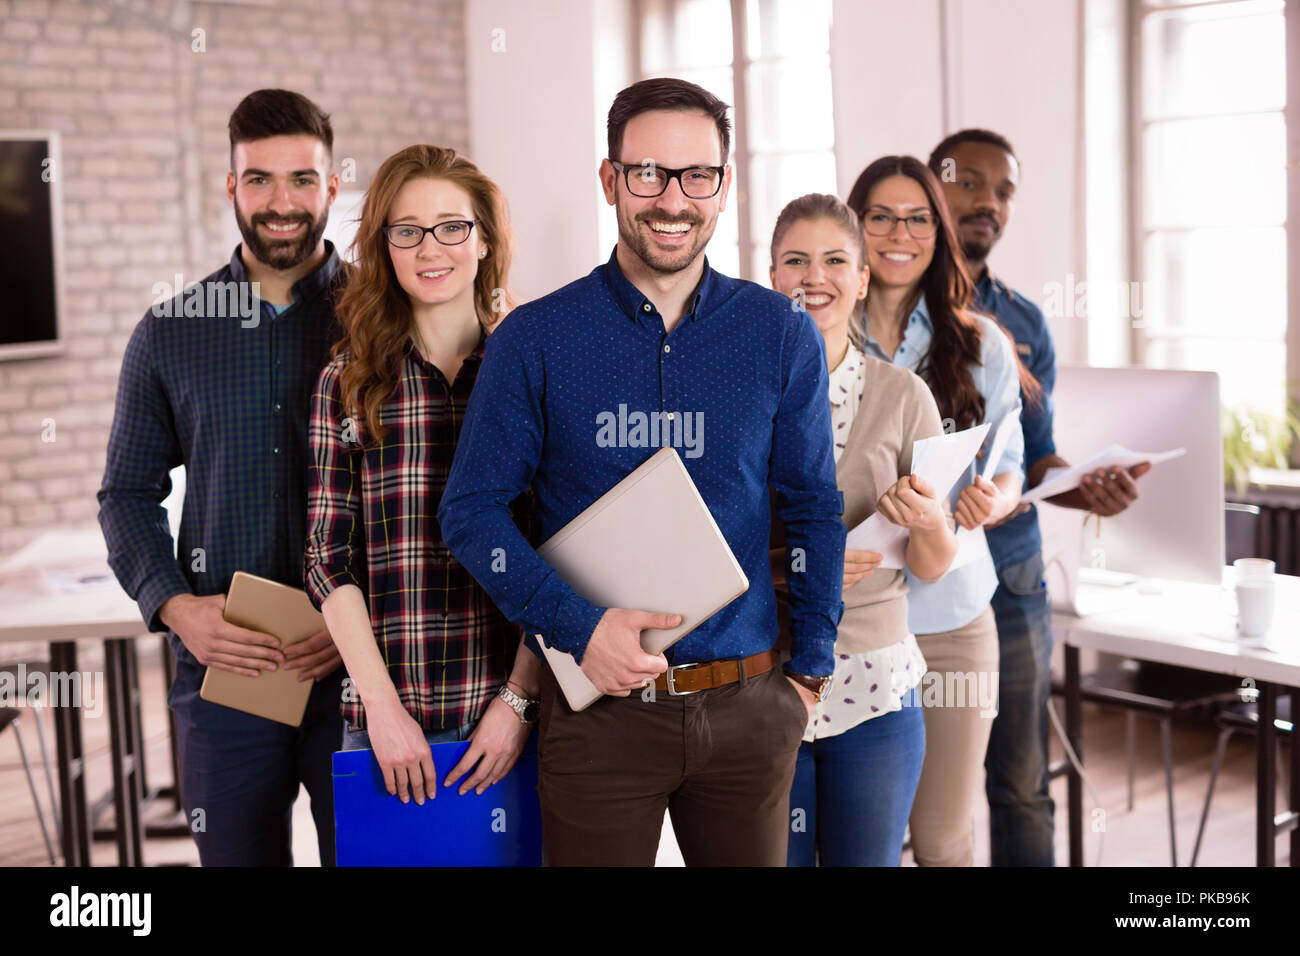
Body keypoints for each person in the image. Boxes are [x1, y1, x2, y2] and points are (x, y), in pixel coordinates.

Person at [438, 77, 846, 866]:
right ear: (610, 179)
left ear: (724, 187)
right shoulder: (534, 339)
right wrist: (578, 625)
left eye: (698, 175)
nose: (672, 199)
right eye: (647, 173)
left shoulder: (780, 334)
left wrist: (811, 673)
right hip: (598, 719)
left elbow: (813, 505)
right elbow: (472, 513)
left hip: (751, 707)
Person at [98, 89, 346, 866]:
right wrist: (175, 607)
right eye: (259, 180)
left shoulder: (383, 313)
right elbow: (127, 494)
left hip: (360, 666)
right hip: (225, 674)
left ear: (333, 185)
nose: (282, 202)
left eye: (302, 179)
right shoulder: (170, 331)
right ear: (229, 187)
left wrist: (359, 625)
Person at [929, 128, 1150, 866]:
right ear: (935, 185)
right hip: (918, 575)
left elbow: (1037, 452)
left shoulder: (1024, 322)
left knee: (1021, 782)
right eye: (970, 183)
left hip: (1013, 575)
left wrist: (1088, 490)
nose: (988, 201)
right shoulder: (891, 307)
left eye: (1004, 190)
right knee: (912, 786)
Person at [303, 144, 541, 806]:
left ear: (484, 238)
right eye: (407, 231)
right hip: (387, 724)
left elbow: (559, 547)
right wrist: (379, 707)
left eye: (452, 227)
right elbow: (328, 557)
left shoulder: (532, 370)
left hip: (514, 711)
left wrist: (519, 700)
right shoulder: (346, 383)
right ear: (384, 245)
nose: (430, 249)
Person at [846, 154, 1031, 867]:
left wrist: (994, 500)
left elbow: (1008, 465)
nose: (900, 233)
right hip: (854, 622)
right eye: (881, 216)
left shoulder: (981, 343)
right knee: (859, 843)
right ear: (855, 227)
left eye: (919, 217)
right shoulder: (818, 337)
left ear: (939, 231)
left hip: (952, 620)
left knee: (943, 839)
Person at [768, 194, 958, 866]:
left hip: (874, 688)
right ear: (772, 276)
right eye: (795, 260)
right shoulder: (741, 395)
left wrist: (931, 518)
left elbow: (933, 564)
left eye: (833, 260)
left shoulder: (905, 396)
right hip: (766, 683)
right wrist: (793, 565)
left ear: (861, 278)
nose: (813, 276)